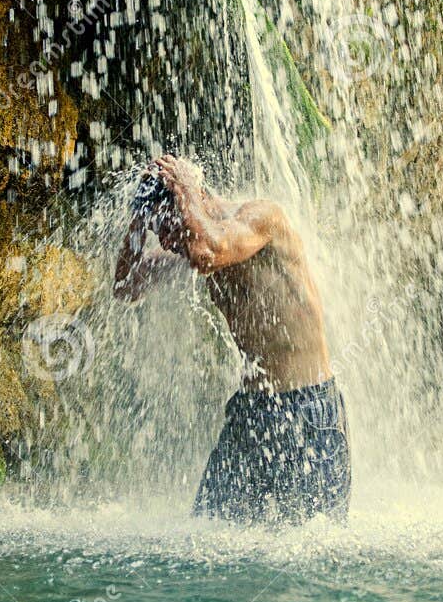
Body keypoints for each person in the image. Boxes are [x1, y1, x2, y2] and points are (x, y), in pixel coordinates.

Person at [113, 155, 351, 523]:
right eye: (159, 233)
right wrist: (138, 221)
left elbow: (212, 251)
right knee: (208, 531)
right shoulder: (189, 242)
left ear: (194, 199)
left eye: (170, 227)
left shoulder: (260, 218)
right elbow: (125, 287)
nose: (168, 242)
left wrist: (186, 187)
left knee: (317, 542)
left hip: (307, 411)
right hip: (250, 413)